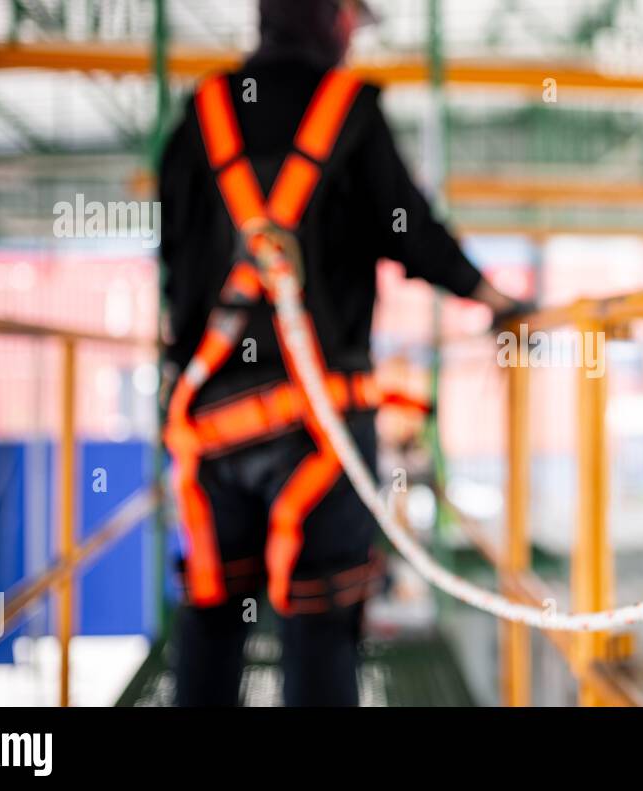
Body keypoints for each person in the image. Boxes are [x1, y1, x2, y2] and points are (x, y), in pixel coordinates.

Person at [158, 0, 520, 706]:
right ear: (327, 17)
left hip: (210, 427)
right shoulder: (347, 111)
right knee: (319, 620)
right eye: (353, 15)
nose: (356, 31)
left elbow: (175, 253)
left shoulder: (202, 112)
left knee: (212, 612)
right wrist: (493, 299)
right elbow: (412, 232)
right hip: (317, 429)